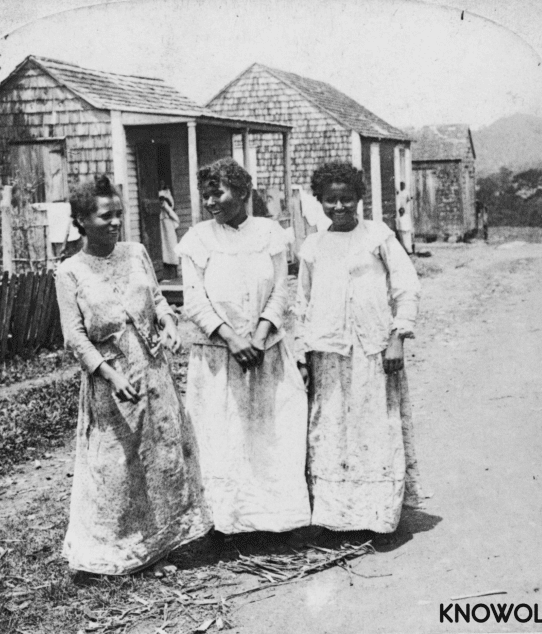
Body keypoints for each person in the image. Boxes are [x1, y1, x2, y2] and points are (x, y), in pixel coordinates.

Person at [55, 175, 210, 575]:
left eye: (118, 214)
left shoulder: (137, 252)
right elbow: (74, 337)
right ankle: (117, 552)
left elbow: (158, 300)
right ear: (82, 221)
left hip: (153, 372)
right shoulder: (70, 271)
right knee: (119, 465)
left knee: (160, 456)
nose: (115, 223)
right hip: (113, 382)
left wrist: (169, 323)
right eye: (105, 216)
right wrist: (108, 374)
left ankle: (161, 545)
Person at [176, 157, 311, 542]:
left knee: (271, 431)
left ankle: (274, 521)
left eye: (217, 192)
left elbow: (281, 289)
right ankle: (225, 524)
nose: (210, 202)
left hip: (266, 351)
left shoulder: (270, 233)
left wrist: (260, 334)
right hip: (219, 355)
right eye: (205, 196)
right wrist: (233, 339)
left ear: (243, 192)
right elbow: (194, 300)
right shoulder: (197, 239)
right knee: (222, 433)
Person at [295, 161, 424, 536]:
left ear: (359, 199)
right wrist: (304, 352)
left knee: (373, 426)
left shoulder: (378, 236)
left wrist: (397, 337)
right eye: (330, 200)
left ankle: (377, 516)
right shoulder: (313, 245)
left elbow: (406, 287)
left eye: (346, 199)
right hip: (328, 352)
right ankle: (335, 517)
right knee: (332, 426)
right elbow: (301, 302)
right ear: (319, 201)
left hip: (373, 350)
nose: (339, 207)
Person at [159, 182, 180, 279]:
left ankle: (172, 271)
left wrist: (166, 206)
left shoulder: (166, 196)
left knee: (170, 247)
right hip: (161, 223)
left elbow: (176, 221)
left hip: (167, 224)